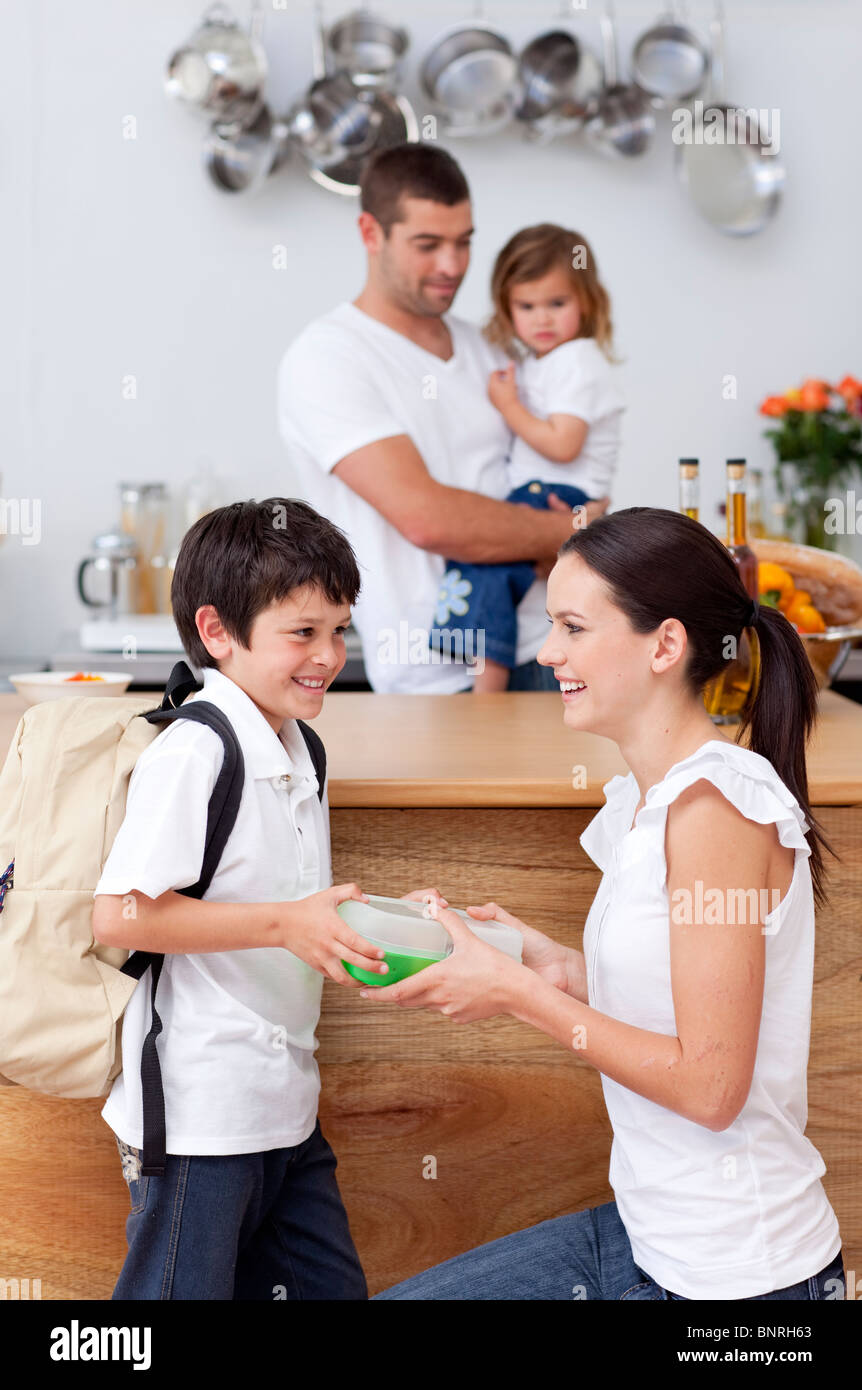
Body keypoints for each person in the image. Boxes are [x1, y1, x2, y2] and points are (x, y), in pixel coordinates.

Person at [362, 507, 846, 1301]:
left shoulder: (714, 811)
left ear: (665, 644)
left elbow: (710, 1088)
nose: (548, 652)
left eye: (575, 628)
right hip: (651, 1238)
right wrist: (545, 963)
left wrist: (516, 996)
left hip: (739, 1281)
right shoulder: (651, 801)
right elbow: (680, 993)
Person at [92, 497, 445, 1300]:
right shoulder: (196, 750)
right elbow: (120, 914)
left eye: (340, 630)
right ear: (218, 633)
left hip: (285, 1106)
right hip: (201, 1116)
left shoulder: (298, 742)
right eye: (303, 633)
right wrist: (291, 924)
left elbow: (281, 898)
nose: (329, 654)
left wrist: (366, 921)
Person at [277, 142, 609, 696]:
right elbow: (428, 519)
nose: (452, 266)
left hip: (558, 651)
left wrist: (580, 522)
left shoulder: (491, 348)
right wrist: (579, 531)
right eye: (427, 245)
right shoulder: (327, 358)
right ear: (371, 233)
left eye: (463, 242)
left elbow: (558, 463)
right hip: (435, 678)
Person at [430, 223, 625, 691]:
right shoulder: (544, 361)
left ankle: (487, 690)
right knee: (491, 574)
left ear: (587, 302)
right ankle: (488, 673)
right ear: (507, 308)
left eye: (556, 304)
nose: (542, 319)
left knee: (486, 567)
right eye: (526, 306)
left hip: (557, 494)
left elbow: (563, 443)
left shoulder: (578, 360)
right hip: (547, 496)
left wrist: (509, 406)